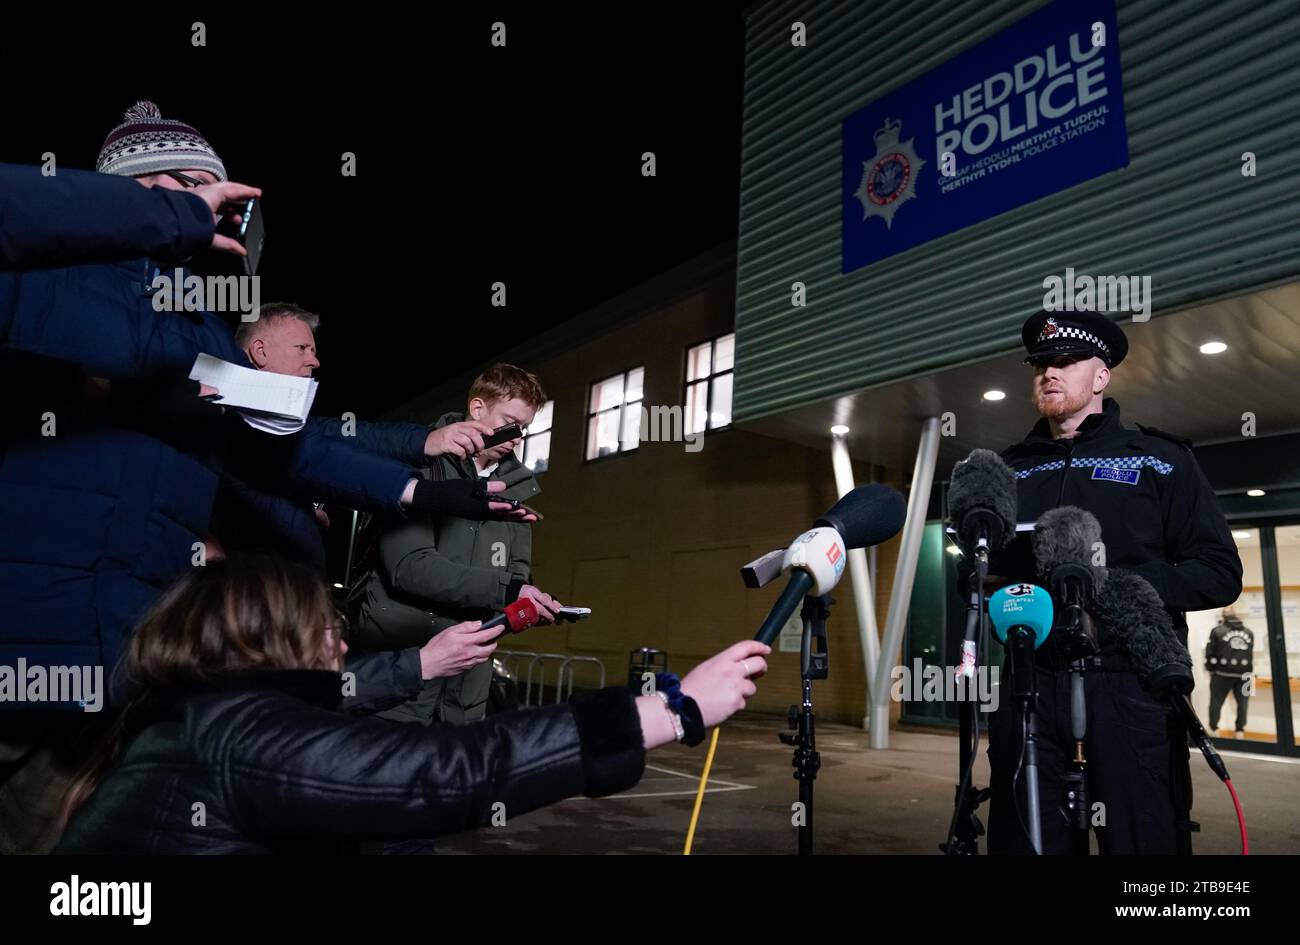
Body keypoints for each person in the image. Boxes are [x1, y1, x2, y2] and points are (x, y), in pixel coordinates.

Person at [54, 555, 770, 854]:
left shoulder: (192, 716)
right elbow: (455, 770)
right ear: (266, 635)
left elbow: (340, 696)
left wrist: (426, 661)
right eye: (322, 623)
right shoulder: (243, 738)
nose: (338, 636)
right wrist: (671, 711)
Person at [984, 309, 1242, 855]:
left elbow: (1218, 573)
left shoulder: (1159, 460)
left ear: (1101, 377)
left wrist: (1118, 587)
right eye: (1040, 365)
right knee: (1024, 841)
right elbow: (987, 576)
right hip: (1031, 685)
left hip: (1131, 685)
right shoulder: (1006, 470)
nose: (1049, 373)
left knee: (1144, 845)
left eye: (1066, 362)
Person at [351, 363, 563, 726]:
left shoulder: (517, 488)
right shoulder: (420, 466)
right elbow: (410, 568)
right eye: (511, 422)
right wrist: (508, 591)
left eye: (525, 428)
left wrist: (524, 608)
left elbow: (515, 576)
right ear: (478, 409)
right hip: (398, 687)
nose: (517, 437)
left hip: (464, 699)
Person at [0, 161, 259, 271]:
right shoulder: (40, 268)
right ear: (139, 177)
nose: (212, 212)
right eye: (197, 184)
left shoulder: (190, 306)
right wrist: (174, 214)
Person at [1205, 605, 1254, 738]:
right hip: (1246, 674)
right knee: (1243, 703)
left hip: (1222, 674)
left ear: (1223, 616)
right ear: (1236, 615)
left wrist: (1210, 669)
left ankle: (1214, 729)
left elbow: (1210, 652)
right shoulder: (1249, 632)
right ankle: (1240, 731)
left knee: (1216, 701)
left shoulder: (1217, 631)